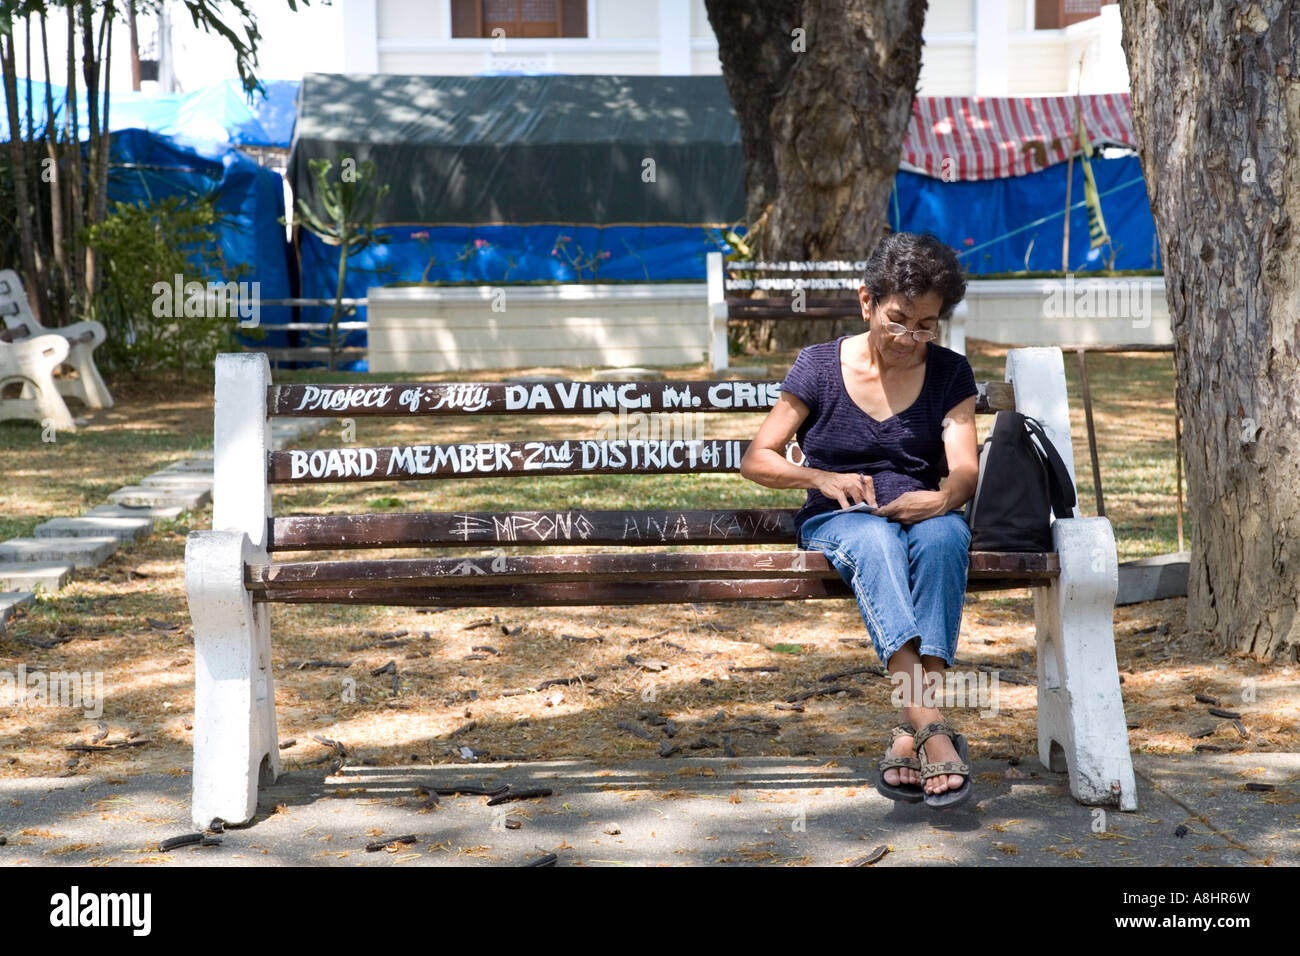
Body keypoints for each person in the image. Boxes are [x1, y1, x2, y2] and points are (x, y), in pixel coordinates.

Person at [739, 232, 980, 810]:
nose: (909, 338)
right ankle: (934, 727)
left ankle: (909, 729)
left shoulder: (949, 373)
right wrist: (819, 478)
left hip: (922, 512)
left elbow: (964, 472)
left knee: (948, 537)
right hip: (842, 518)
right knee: (873, 539)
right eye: (898, 319)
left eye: (926, 325)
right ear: (867, 301)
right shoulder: (819, 365)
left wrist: (941, 500)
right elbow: (759, 457)